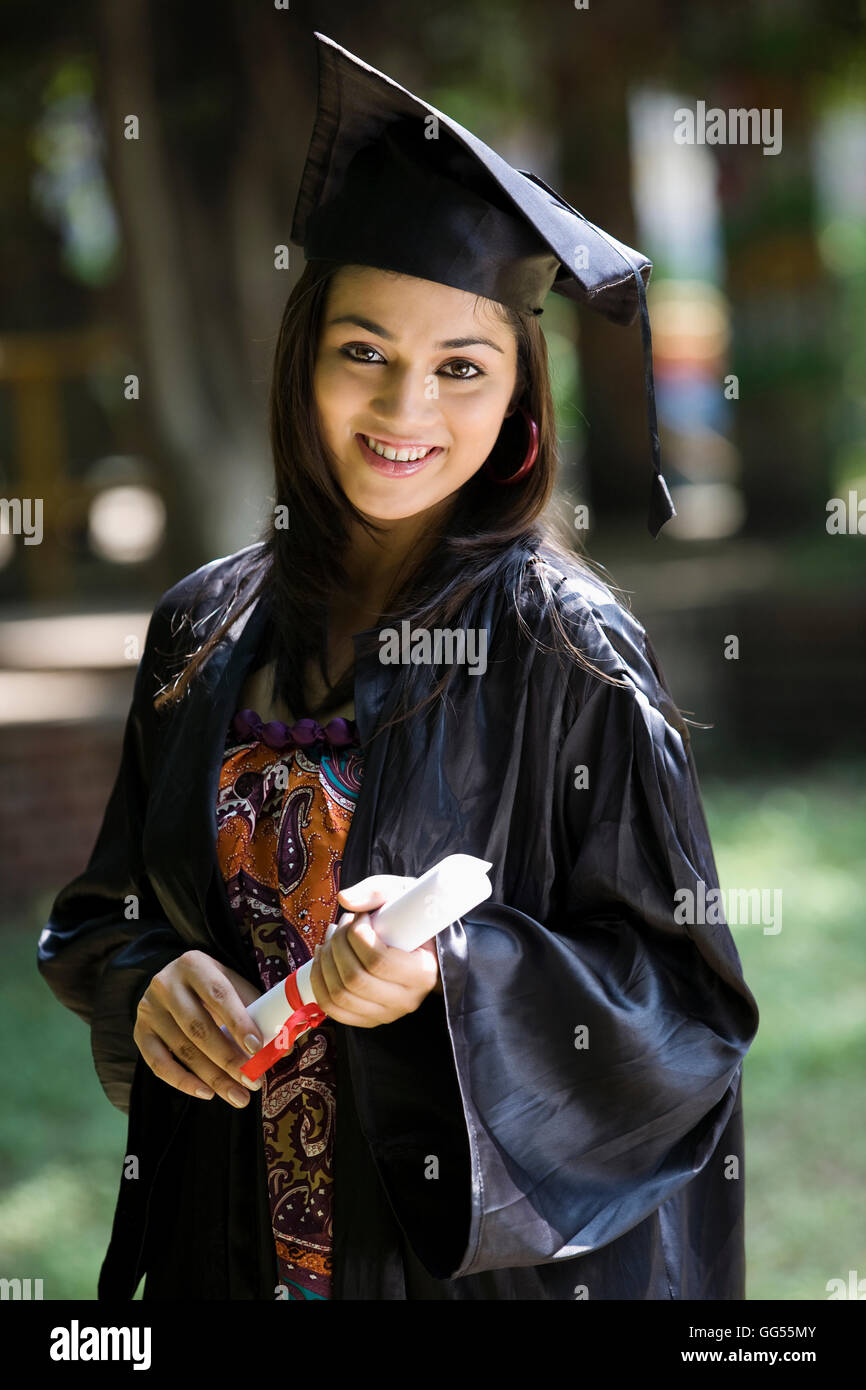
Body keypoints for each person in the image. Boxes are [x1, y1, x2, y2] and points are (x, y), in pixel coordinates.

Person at [37, 33, 759, 1300]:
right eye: (362, 351)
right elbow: (107, 912)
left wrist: (457, 975)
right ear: (303, 358)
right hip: (230, 1239)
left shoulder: (562, 648)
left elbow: (681, 1013)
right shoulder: (202, 631)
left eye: (460, 368)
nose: (405, 409)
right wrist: (147, 978)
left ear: (520, 401)